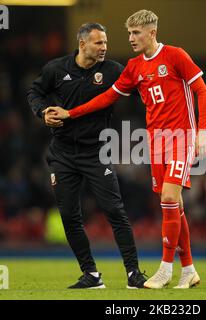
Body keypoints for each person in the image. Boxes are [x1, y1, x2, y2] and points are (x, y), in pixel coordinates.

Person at [45, 9, 206, 289]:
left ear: (152, 33)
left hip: (181, 137)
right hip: (156, 143)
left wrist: (203, 132)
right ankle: (189, 269)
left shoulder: (175, 55)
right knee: (175, 207)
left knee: (169, 199)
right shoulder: (134, 67)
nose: (131, 38)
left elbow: (202, 91)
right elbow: (107, 97)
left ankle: (164, 268)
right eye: (129, 33)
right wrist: (71, 113)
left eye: (136, 33)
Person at [27, 23, 146, 289]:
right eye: (98, 43)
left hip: (97, 152)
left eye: (105, 43)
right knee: (69, 216)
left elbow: (142, 88)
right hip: (63, 154)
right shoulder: (56, 69)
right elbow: (34, 92)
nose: (104, 48)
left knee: (115, 211)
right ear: (82, 44)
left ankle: (133, 273)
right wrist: (43, 111)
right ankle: (90, 274)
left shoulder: (114, 70)